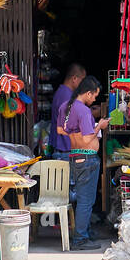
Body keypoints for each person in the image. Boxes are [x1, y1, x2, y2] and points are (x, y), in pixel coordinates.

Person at [59, 75, 108, 249]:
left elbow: (60, 129)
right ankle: (80, 239)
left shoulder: (66, 106)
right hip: (87, 158)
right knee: (86, 201)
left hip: (75, 156)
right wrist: (99, 126)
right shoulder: (84, 111)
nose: (95, 99)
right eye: (94, 95)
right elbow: (88, 140)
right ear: (88, 93)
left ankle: (84, 231)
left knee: (83, 199)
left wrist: (75, 134)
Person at [50, 63, 86, 157]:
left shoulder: (63, 92)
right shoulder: (66, 96)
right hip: (64, 149)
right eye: (83, 81)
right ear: (74, 79)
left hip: (64, 148)